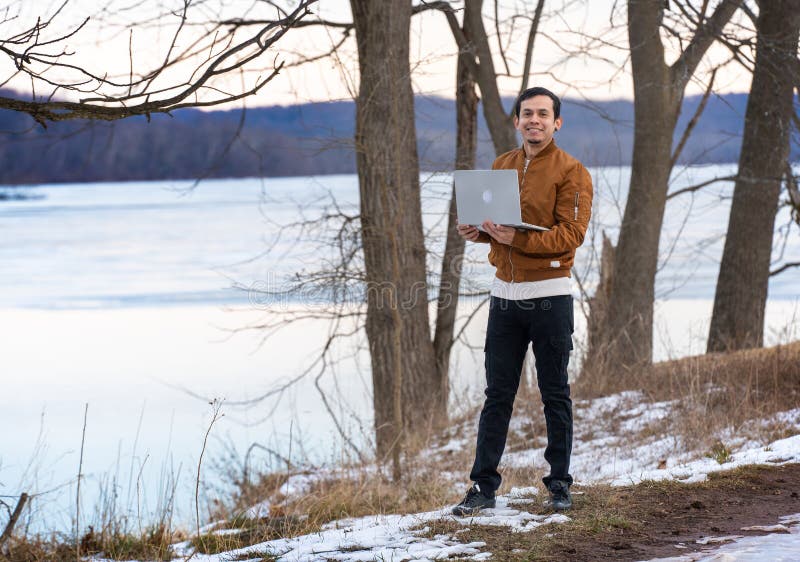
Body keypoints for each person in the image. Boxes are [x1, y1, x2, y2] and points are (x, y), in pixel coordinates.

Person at [452, 87, 593, 515]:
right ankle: (483, 488)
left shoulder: (574, 172)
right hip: (504, 298)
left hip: (549, 297)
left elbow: (572, 236)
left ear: (556, 123)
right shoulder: (501, 166)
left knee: (555, 394)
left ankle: (559, 485)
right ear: (517, 121)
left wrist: (520, 239)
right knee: (497, 395)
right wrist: (479, 233)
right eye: (527, 113)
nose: (534, 120)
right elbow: (501, 229)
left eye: (543, 114)